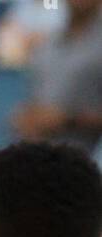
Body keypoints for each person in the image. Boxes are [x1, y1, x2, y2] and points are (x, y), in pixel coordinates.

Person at [14, 0, 102, 151]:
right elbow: (36, 97)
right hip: (45, 158)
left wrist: (68, 120)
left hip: (88, 158)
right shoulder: (48, 45)